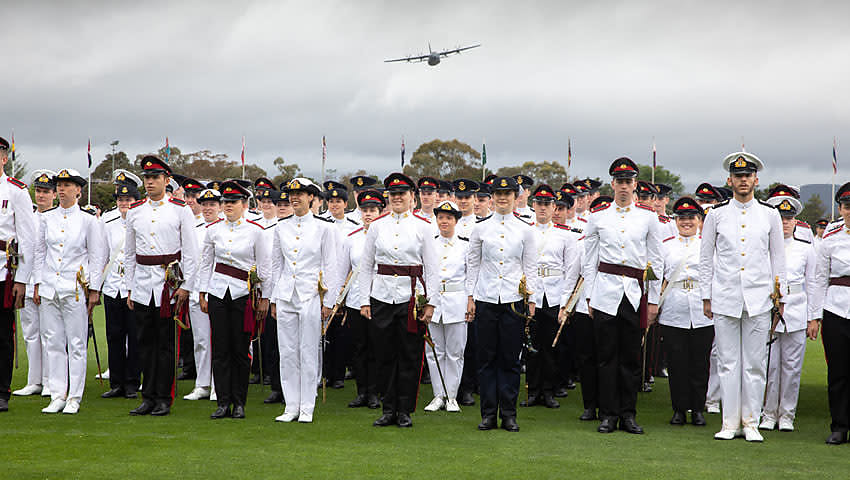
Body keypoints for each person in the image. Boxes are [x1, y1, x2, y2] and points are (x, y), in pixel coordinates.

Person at [700, 152, 786, 442]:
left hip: (759, 297)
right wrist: (706, 296)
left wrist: (780, 296)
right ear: (730, 180)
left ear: (755, 179)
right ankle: (729, 423)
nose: (743, 180)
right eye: (738, 176)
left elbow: (778, 258)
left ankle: (751, 423)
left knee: (755, 363)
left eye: (747, 176)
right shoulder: (716, 214)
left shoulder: (770, 215)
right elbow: (706, 259)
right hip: (725, 295)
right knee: (727, 362)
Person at [583, 158, 662, 435]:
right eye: (620, 181)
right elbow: (589, 260)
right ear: (613, 184)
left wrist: (652, 300)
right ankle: (608, 415)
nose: (625, 186)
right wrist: (589, 297)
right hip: (605, 292)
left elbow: (656, 261)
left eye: (629, 181)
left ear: (635, 184)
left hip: (634, 293)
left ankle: (628, 414)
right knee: (606, 357)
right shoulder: (598, 217)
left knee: (630, 358)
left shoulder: (648, 217)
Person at [359, 173, 437, 428]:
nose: (397, 198)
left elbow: (432, 268)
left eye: (402, 193)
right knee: (383, 354)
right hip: (381, 295)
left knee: (410, 354)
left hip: (410, 297)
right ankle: (388, 408)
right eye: (393, 194)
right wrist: (364, 300)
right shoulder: (378, 226)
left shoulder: (423, 227)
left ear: (412, 196)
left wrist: (431, 302)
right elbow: (366, 264)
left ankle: (405, 409)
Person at [125, 155, 199, 417]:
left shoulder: (180, 209)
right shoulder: (135, 211)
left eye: (155, 177)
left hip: (169, 283)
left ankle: (164, 398)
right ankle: (148, 396)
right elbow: (129, 252)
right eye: (146, 178)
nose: (150, 182)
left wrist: (186, 285)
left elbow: (190, 252)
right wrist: (130, 288)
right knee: (145, 342)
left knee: (166, 345)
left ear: (167, 180)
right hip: (144, 283)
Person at [466, 176, 539, 432]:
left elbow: (530, 266)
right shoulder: (480, 228)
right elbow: (473, 264)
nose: (502, 198)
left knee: (509, 359)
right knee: (486, 358)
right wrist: (470, 296)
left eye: (507, 194)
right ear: (492, 197)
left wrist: (532, 300)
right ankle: (488, 413)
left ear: (516, 196)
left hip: (513, 301)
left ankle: (508, 414)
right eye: (498, 193)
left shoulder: (525, 229)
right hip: (486, 298)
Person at [33, 168, 107, 414]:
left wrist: (94, 289)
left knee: (76, 343)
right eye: (60, 185)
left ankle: (74, 396)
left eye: (67, 185)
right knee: (53, 342)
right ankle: (57, 394)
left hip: (75, 288)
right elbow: (39, 253)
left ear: (78, 190)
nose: (62, 189)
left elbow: (97, 256)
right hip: (50, 287)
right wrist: (37, 283)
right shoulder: (47, 218)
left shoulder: (88, 220)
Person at [197, 181, 270, 419]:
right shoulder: (213, 230)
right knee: (220, 349)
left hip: (243, 294)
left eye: (233, 202)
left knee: (240, 350)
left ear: (244, 204)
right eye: (225, 202)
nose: (228, 206)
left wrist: (264, 298)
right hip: (218, 292)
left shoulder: (255, 231)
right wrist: (202, 292)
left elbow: (265, 268)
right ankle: (222, 401)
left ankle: (239, 402)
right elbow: (206, 263)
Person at [269, 178, 340, 423]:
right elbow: (276, 265)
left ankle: (307, 406)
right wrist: (273, 298)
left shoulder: (325, 228)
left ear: (312, 197)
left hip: (311, 294)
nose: (294, 198)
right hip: (287, 293)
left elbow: (331, 266)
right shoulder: (281, 227)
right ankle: (291, 406)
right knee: (287, 351)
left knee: (308, 351)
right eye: (291, 194)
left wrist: (329, 301)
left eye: (300, 194)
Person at [759, 196, 817, 432]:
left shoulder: (805, 249)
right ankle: (768, 413)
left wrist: (814, 317)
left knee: (792, 367)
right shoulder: (765, 247)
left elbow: (812, 283)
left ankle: (787, 414)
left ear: (796, 221)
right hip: (769, 308)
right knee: (770, 365)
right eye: (781, 218)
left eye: (789, 218)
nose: (785, 223)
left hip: (796, 308)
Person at [654, 197, 713, 427]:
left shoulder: (708, 245)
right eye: (682, 218)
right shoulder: (666, 245)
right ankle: (679, 409)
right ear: (675, 220)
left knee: (700, 363)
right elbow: (658, 278)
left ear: (700, 220)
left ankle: (697, 409)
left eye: (691, 218)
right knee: (676, 363)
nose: (686, 222)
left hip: (702, 309)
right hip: (674, 307)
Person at [523, 185, 579, 409]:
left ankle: (548, 391)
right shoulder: (525, 231)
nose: (543, 208)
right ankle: (532, 391)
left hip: (555, 295)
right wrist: (527, 298)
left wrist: (565, 303)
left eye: (548, 205)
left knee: (551, 347)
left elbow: (570, 270)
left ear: (554, 207)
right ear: (533, 205)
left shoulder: (565, 235)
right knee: (532, 346)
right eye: (539, 204)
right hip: (533, 294)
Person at [812, 182, 850, 445]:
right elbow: (818, 279)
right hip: (836, 308)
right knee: (838, 371)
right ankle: (839, 425)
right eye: (847, 207)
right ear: (840, 209)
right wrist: (814, 316)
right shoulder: (831, 239)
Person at [423, 201, 469, 413]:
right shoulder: (429, 243)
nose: (444, 221)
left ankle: (452, 395)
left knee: (455, 352)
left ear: (456, 221)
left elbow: (470, 275)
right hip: (433, 303)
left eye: (449, 218)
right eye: (441, 217)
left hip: (456, 301)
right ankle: (437, 395)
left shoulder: (465, 245)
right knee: (434, 352)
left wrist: (471, 299)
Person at [12, 171, 55, 398]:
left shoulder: (57, 218)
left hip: (47, 283)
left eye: (46, 191)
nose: (41, 195)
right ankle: (34, 380)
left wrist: (40, 282)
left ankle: (50, 381)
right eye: (38, 191)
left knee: (49, 334)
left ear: (54, 194)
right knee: (30, 333)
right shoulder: (27, 215)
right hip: (26, 280)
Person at [341, 190, 384, 409]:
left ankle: (376, 392)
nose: (368, 214)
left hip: (379, 298)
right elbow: (344, 270)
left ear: (380, 212)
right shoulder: (351, 239)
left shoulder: (386, 237)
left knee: (377, 347)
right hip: (356, 299)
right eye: (365, 210)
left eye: (373, 210)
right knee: (358, 347)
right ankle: (362, 391)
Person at [100, 182, 142, 399]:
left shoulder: (141, 219)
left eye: (128, 200)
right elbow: (102, 254)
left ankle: (133, 383)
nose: (124, 203)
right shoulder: (107, 220)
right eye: (120, 200)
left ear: (135, 200)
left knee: (134, 337)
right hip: (113, 284)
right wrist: (96, 286)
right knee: (114, 335)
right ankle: (116, 383)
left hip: (134, 286)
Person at [182, 187, 223, 402]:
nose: (207, 208)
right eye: (204, 204)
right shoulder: (195, 228)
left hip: (218, 291)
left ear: (220, 206)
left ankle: (218, 385)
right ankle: (202, 383)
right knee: (200, 341)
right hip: (196, 290)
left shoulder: (224, 228)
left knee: (218, 341)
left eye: (212, 205)